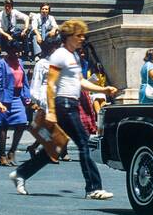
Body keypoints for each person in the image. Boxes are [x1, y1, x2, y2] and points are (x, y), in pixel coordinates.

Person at [10, 19, 117, 199]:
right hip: (64, 104)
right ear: (68, 37)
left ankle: (21, 173)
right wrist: (51, 111)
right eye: (78, 35)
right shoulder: (60, 55)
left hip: (70, 104)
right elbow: (51, 84)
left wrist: (103, 89)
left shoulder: (73, 56)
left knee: (56, 146)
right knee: (83, 143)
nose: (82, 38)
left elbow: (80, 82)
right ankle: (93, 188)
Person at [0, 41, 32, 164]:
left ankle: (12, 151)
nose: (17, 54)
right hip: (5, 97)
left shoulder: (20, 62)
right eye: (14, 51)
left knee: (21, 123)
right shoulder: (1, 64)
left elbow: (24, 80)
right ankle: (2, 154)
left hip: (18, 96)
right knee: (3, 125)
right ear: (8, 51)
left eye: (18, 51)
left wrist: (27, 95)